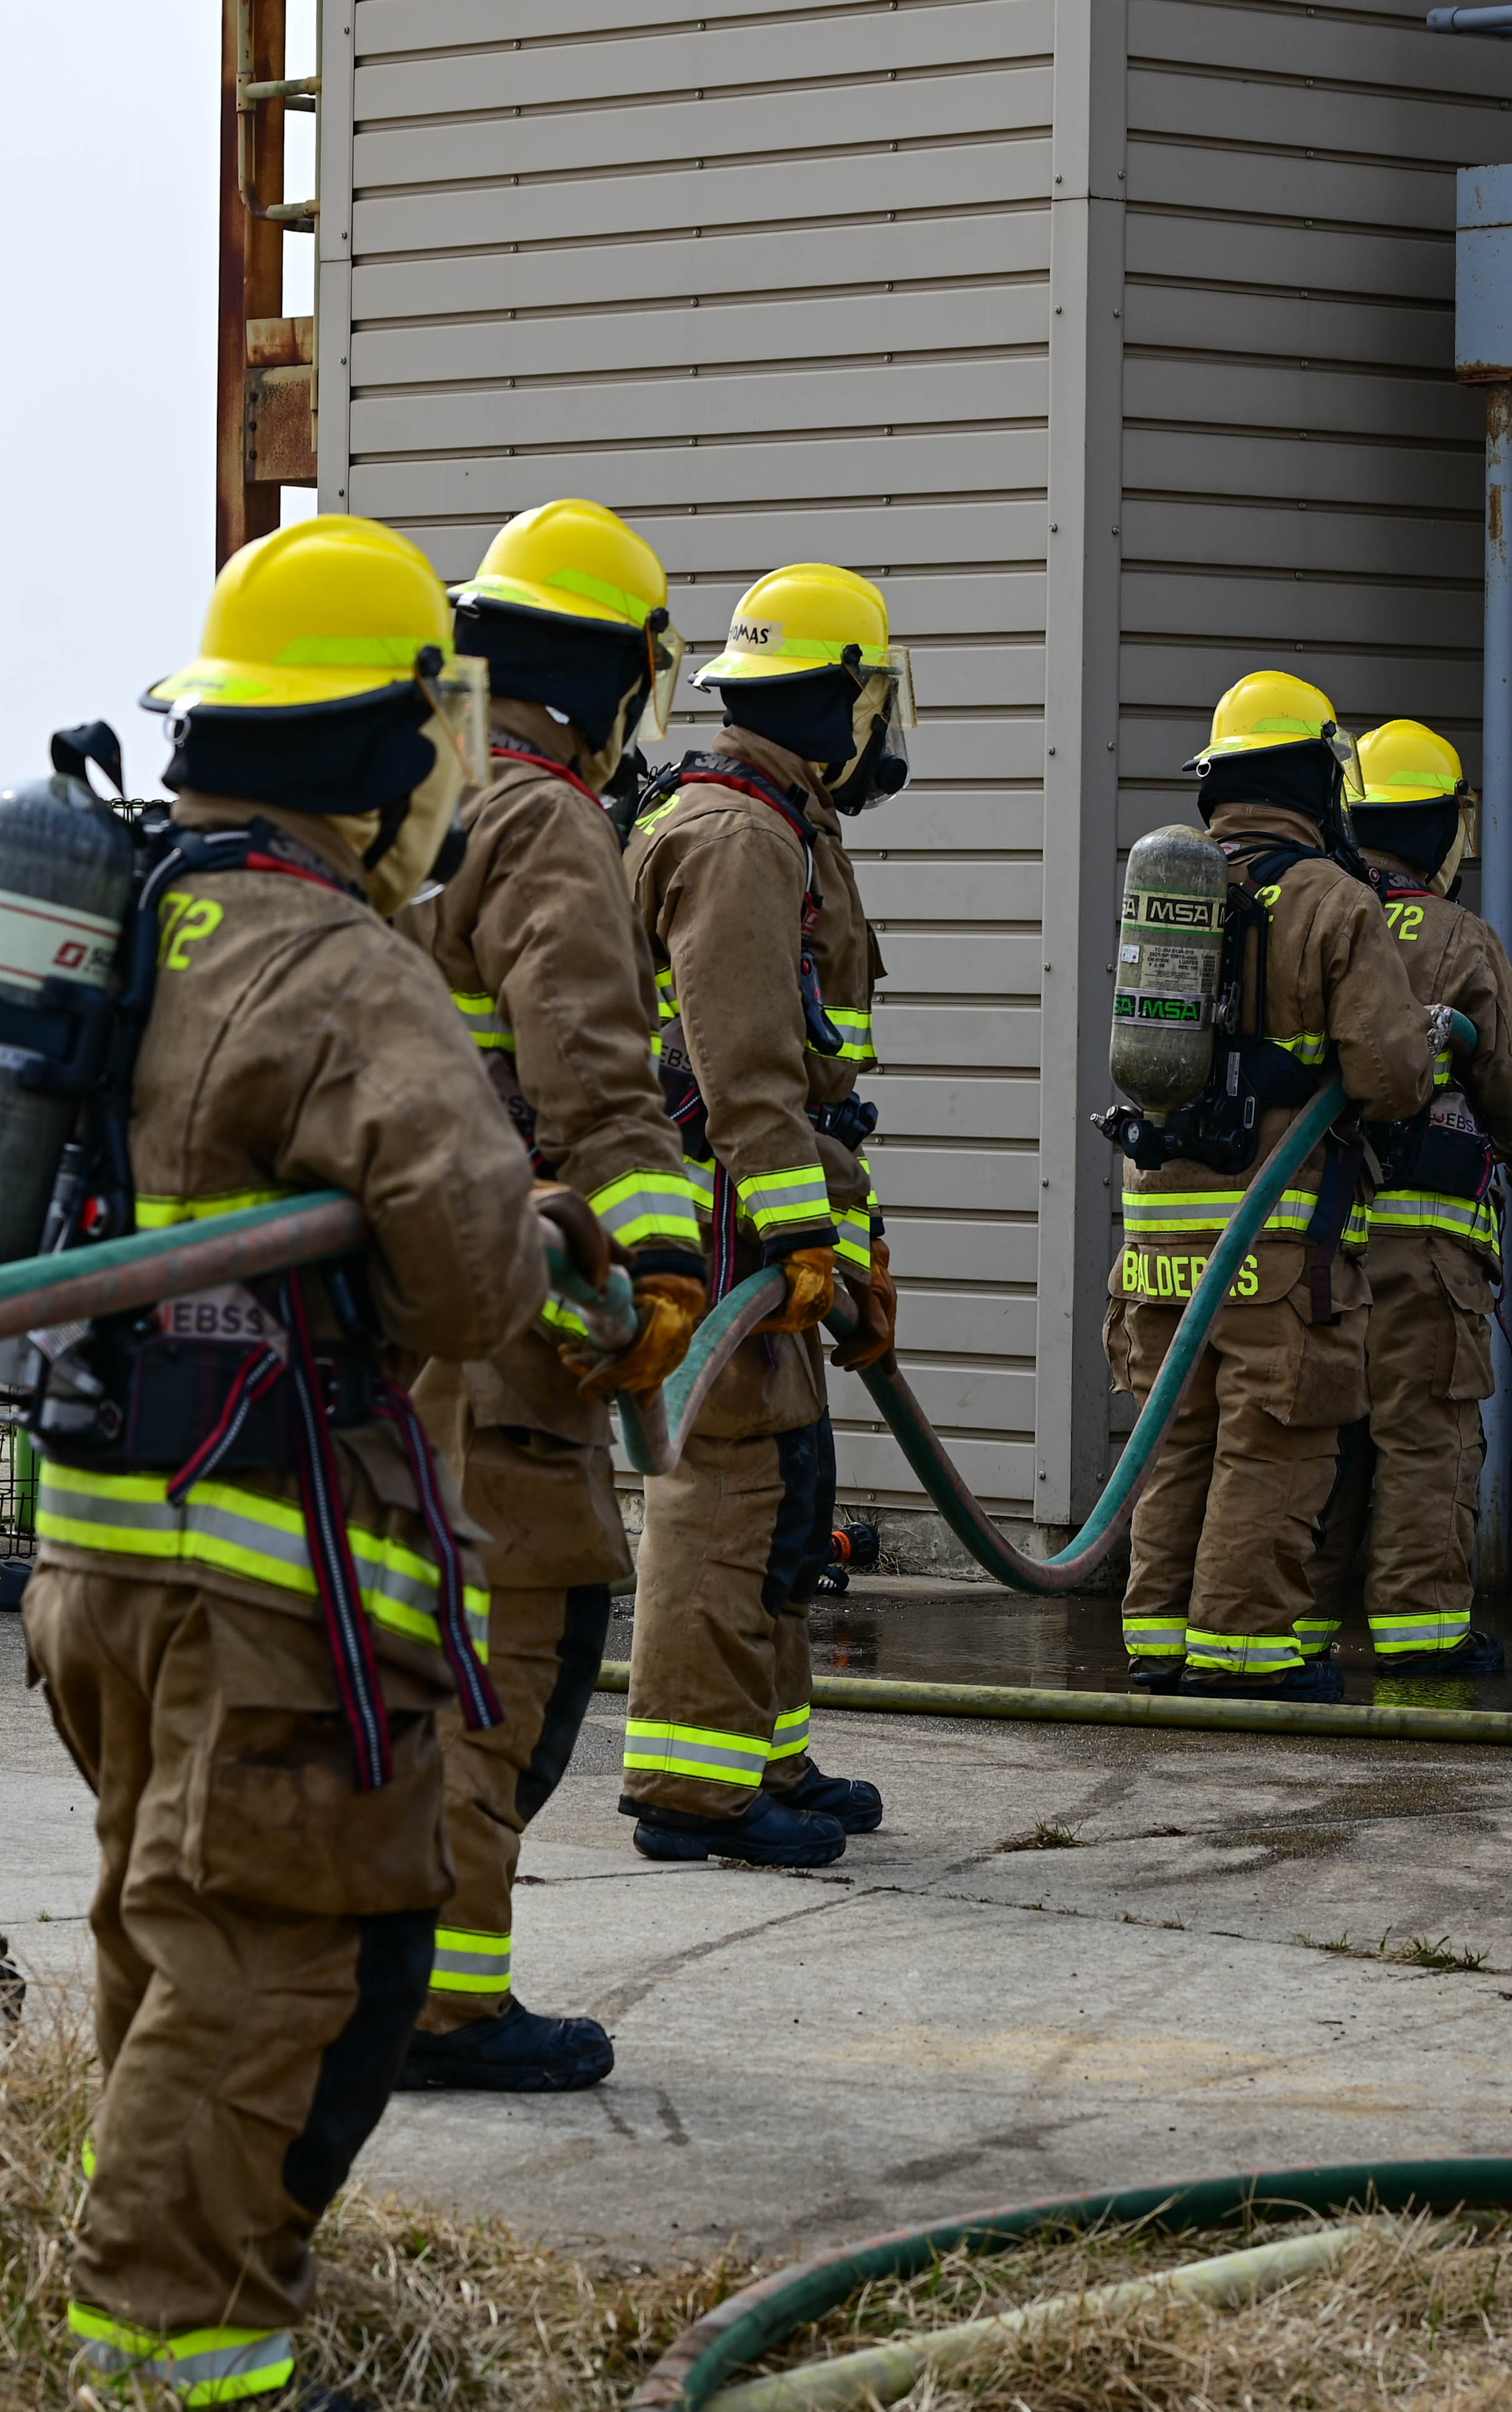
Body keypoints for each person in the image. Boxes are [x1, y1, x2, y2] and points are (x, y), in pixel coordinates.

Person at [24, 512, 578, 2412]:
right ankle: (176, 2356)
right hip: (271, 1577)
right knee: (274, 1966)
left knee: (167, 1941)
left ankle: (150, 2305)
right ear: (381, 747)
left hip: (97, 1552)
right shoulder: (334, 964)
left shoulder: (137, 921)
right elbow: (470, 1267)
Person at [392, 500, 703, 2094]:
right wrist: (658, 1261)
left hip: (361, 1292)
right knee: (503, 1636)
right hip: (499, 1297)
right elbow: (590, 1067)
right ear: (608, 676)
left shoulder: (393, 794)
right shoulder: (544, 818)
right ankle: (442, 1999)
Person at [616, 562, 905, 1867]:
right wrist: (801, 1242)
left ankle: (761, 1752)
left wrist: (844, 1243)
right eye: (866, 696)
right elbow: (741, 1067)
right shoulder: (737, 837)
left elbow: (810, 1078)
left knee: (786, 1494)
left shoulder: (782, 820)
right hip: (729, 1234)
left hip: (772, 1227)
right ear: (834, 694)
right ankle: (689, 1786)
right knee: (722, 1496)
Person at [1103, 671, 1433, 1699]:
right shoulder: (1335, 901)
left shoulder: (1171, 887)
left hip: (1156, 1241)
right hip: (1278, 1243)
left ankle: (1157, 1641)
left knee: (1176, 1439)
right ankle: (1243, 1652)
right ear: (1313, 779)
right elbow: (1385, 1076)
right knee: (1271, 1440)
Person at [1305, 720, 1512, 1677]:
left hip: (1315, 1240)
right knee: (1424, 1436)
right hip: (1424, 1247)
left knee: (1318, 1435)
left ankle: (1289, 1635)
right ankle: (1421, 1636)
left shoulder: (1315, 911)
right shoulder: (1458, 937)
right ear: (1446, 825)